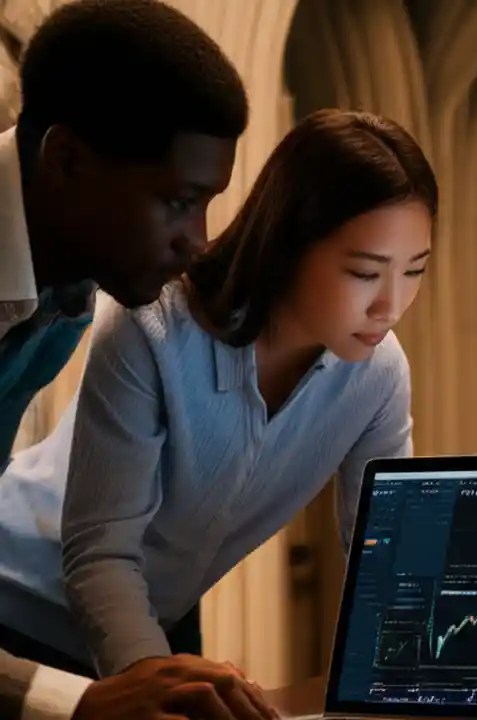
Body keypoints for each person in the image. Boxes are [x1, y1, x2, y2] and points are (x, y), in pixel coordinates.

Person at [0, 108, 435, 697]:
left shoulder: (379, 375)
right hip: (20, 607)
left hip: (153, 621)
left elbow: (387, 558)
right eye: (365, 272)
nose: (391, 305)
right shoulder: (151, 326)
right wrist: (154, 685)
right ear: (288, 244)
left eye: (414, 271)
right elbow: (100, 553)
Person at [0, 1, 277, 718]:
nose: (199, 240)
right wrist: (79, 702)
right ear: (67, 159)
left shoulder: (68, 290)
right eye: (179, 202)